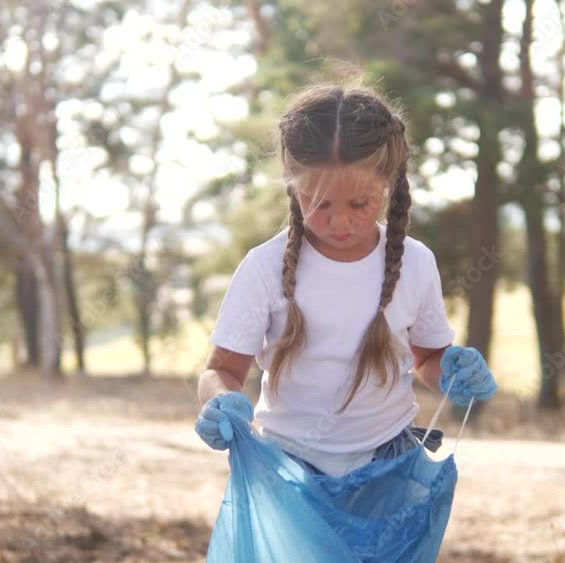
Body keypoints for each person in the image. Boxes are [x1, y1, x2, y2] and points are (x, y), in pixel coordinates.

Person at [194, 83, 497, 480]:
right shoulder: (263, 268)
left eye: (359, 203)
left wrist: (453, 372)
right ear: (292, 184)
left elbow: (426, 359)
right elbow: (221, 370)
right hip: (290, 471)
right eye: (318, 202)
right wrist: (219, 401)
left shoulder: (416, 263)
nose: (339, 221)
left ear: (387, 184)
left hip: (388, 467)